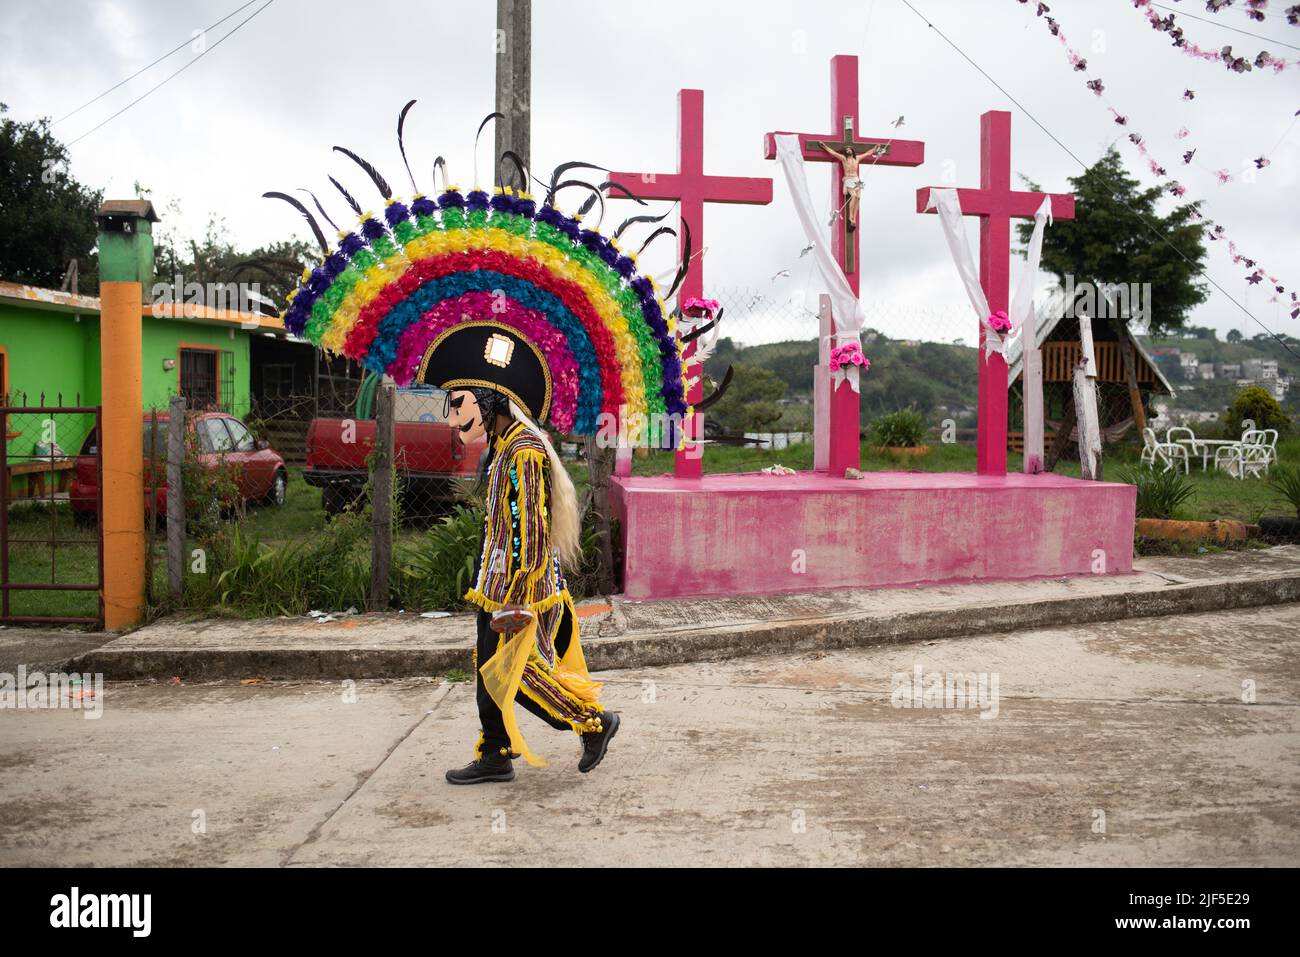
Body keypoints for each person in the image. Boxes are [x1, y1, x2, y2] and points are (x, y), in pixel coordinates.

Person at [420, 324, 620, 784]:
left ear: (488, 401)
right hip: (496, 586)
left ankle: (593, 723)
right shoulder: (503, 447)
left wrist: (514, 598)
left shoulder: (524, 453)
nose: (452, 420)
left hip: (519, 589)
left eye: (458, 406)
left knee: (514, 673)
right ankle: (495, 752)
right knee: (489, 669)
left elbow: (528, 533)